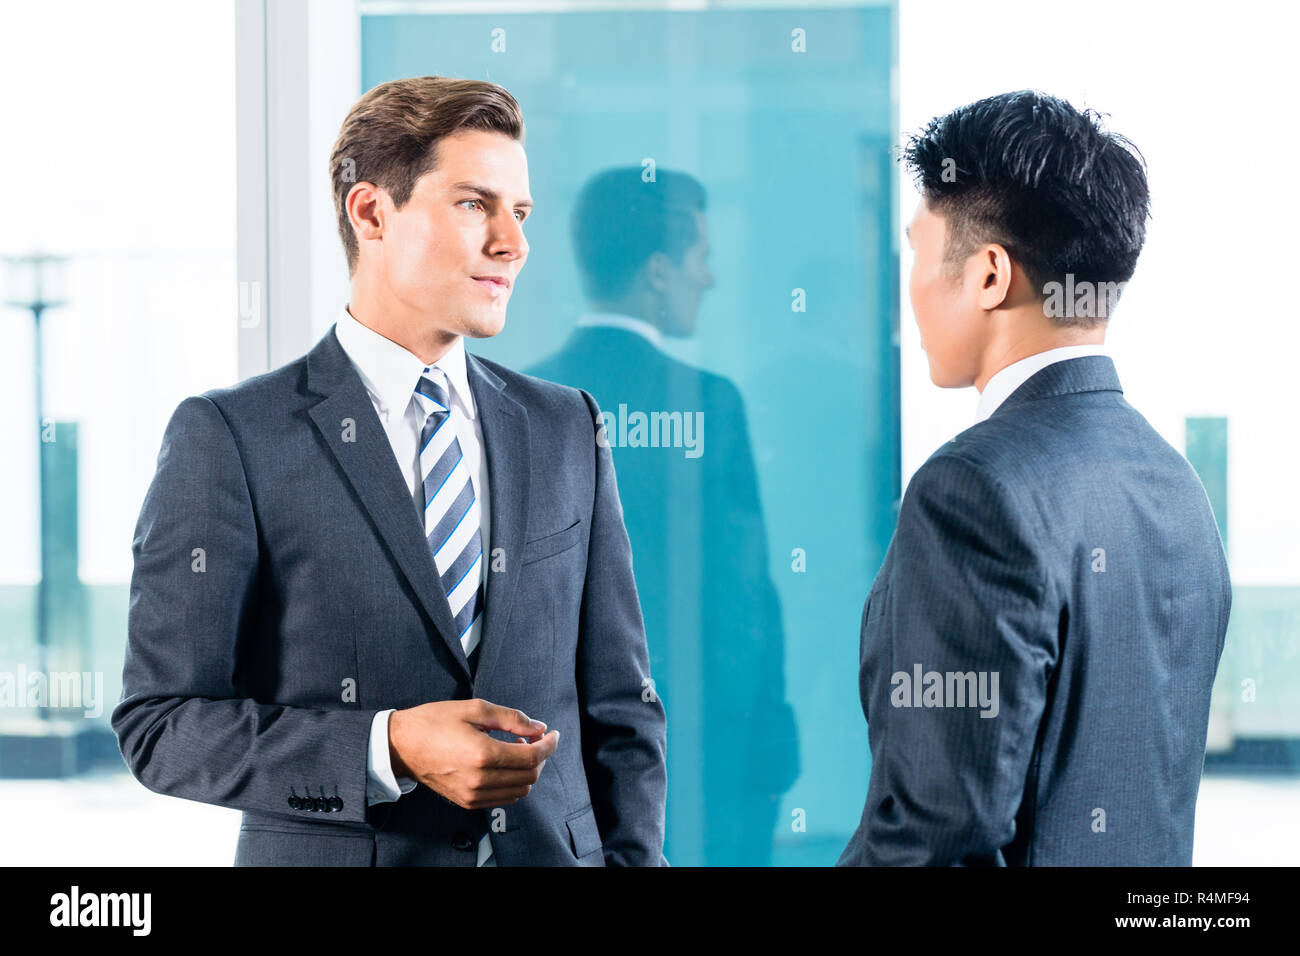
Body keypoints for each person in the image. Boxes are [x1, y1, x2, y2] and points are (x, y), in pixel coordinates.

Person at [112, 76, 667, 867]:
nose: (513, 243)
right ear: (371, 212)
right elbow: (162, 725)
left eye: (522, 212)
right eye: (476, 204)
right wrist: (388, 743)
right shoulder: (233, 438)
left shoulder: (565, 426)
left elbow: (622, 708)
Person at [838, 90, 1231, 866]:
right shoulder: (1176, 485)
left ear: (989, 275)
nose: (907, 286)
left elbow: (937, 828)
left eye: (916, 252)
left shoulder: (975, 489)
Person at [528, 168, 798, 865]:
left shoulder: (520, 405)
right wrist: (773, 736)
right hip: (709, 749)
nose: (707, 279)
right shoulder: (711, 404)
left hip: (563, 763)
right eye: (699, 259)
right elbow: (745, 598)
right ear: (657, 272)